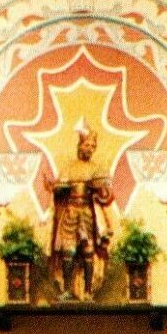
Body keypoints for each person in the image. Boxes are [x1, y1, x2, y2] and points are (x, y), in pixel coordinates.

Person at [45, 124, 115, 300]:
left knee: (87, 249)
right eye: (87, 145)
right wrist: (55, 188)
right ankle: (67, 290)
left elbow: (105, 192)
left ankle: (89, 291)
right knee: (68, 251)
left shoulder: (96, 168)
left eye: (92, 146)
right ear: (80, 145)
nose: (89, 149)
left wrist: (99, 187)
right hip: (70, 212)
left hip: (87, 212)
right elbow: (60, 188)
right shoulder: (69, 168)